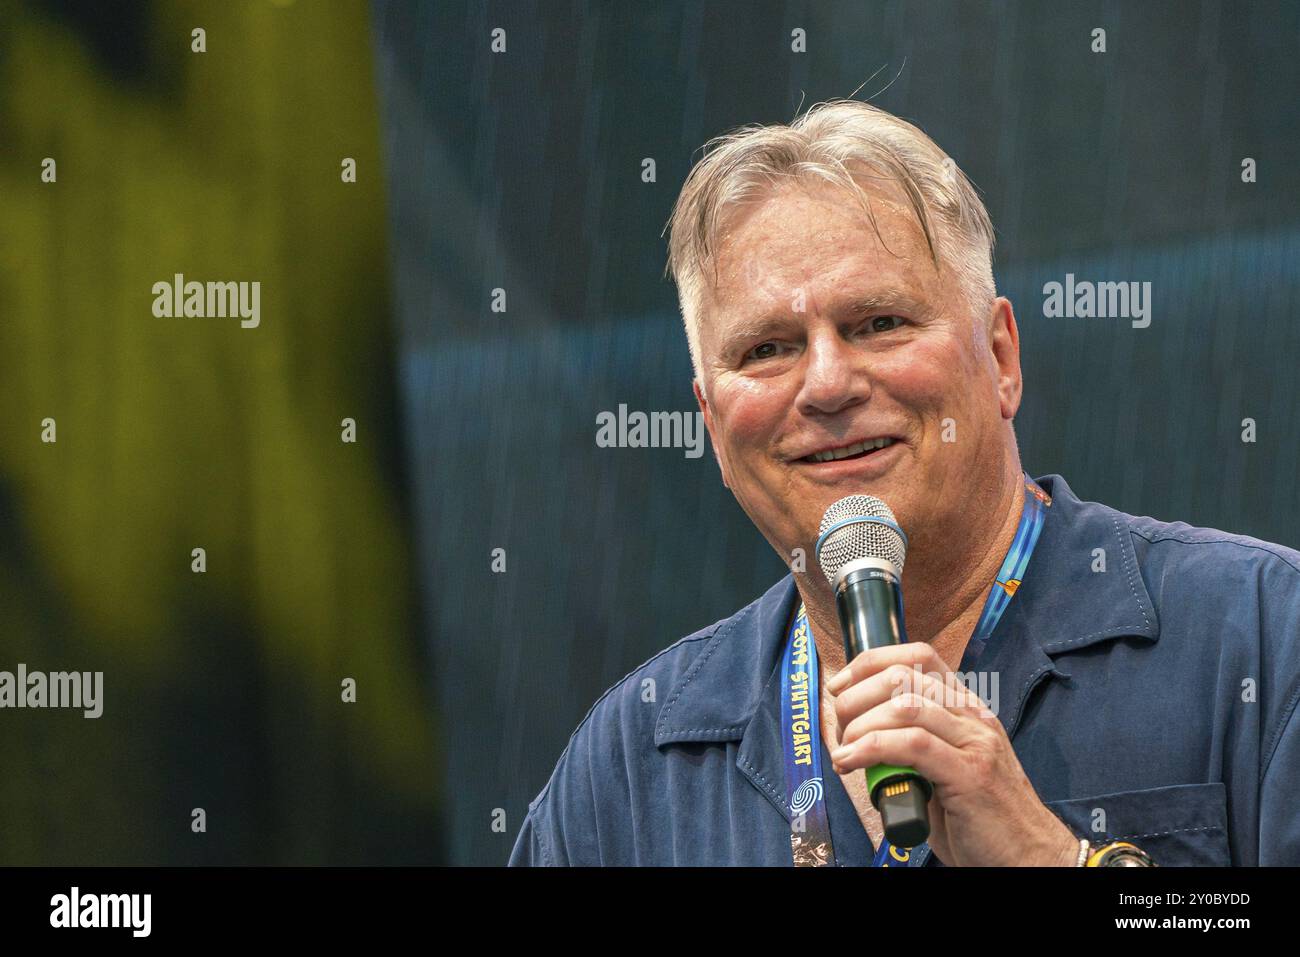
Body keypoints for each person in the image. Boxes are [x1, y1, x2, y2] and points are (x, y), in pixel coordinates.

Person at [508, 99, 1300, 866]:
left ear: (1002, 359)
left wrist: (1053, 861)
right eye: (766, 349)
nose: (825, 383)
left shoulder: (1262, 638)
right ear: (713, 426)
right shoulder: (623, 776)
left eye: (879, 323)